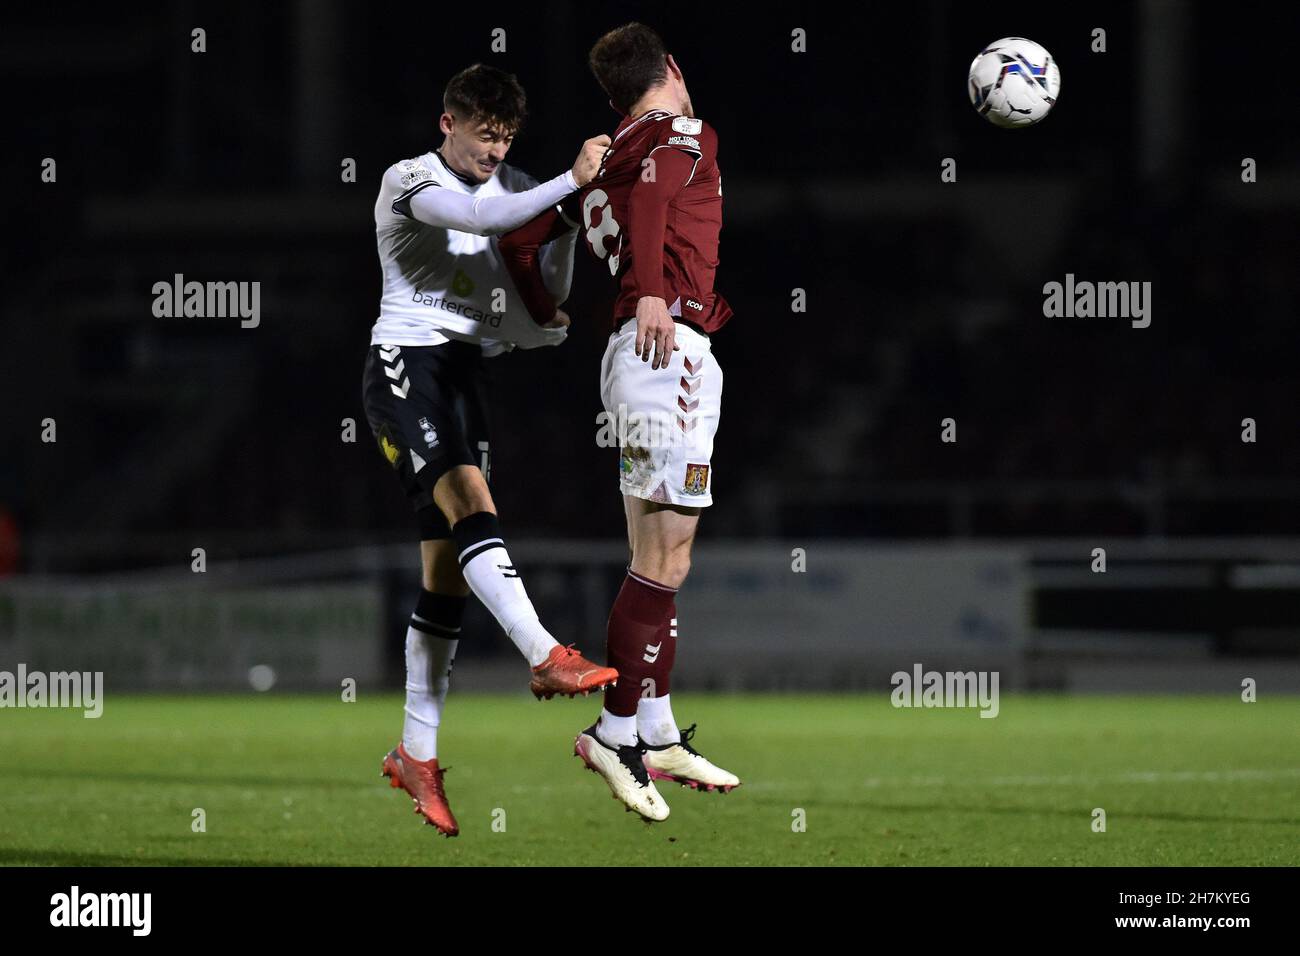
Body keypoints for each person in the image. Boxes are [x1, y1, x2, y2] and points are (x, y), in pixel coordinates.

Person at [362, 63, 618, 837]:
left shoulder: (513, 189)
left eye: (504, 138)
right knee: (473, 502)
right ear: (448, 124)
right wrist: (569, 181)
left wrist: (563, 239)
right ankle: (544, 654)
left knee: (445, 580)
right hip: (405, 365)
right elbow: (481, 221)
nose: (494, 150)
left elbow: (538, 299)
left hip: (466, 377)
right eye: (482, 135)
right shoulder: (408, 179)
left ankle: (416, 754)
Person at [500, 25, 740, 823]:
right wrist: (650, 293)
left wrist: (545, 312)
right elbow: (654, 201)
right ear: (672, 68)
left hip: (639, 355)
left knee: (655, 557)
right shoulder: (680, 134)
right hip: (666, 348)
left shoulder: (603, 160)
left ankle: (657, 731)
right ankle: (613, 733)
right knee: (667, 557)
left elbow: (523, 239)